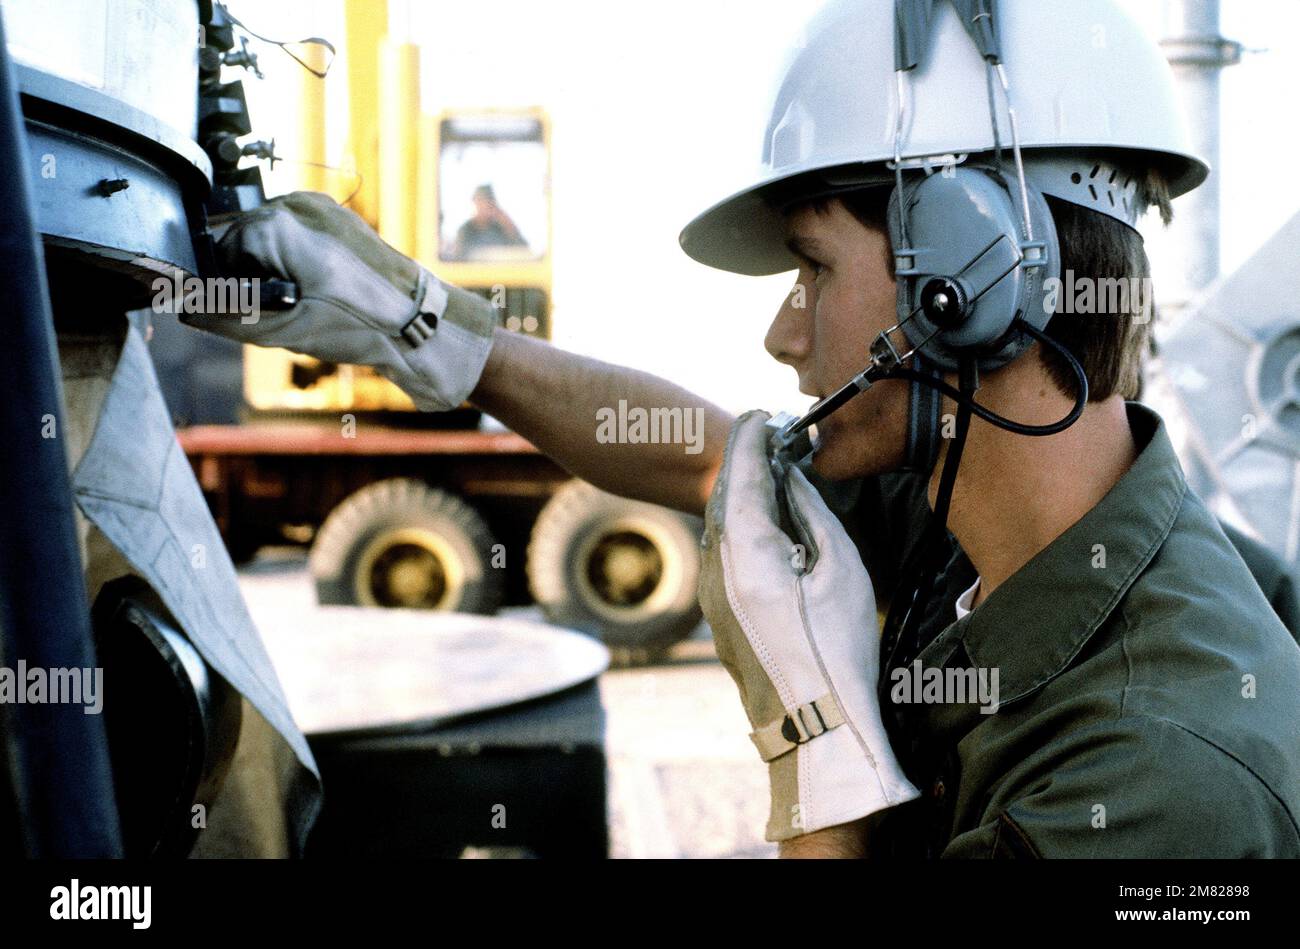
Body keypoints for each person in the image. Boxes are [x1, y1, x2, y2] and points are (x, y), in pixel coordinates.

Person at [186, 0, 1300, 858]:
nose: (782, 331)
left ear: (967, 277)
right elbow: (722, 457)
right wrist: (433, 335)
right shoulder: (989, 518)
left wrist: (814, 749)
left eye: (813, 269)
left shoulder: (1161, 784)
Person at [449, 183, 527, 260]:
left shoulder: (501, 228)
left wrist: (508, 224)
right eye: (481, 201)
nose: (485, 206)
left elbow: (524, 251)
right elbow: (458, 259)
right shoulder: (465, 230)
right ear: (475, 202)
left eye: (489, 203)